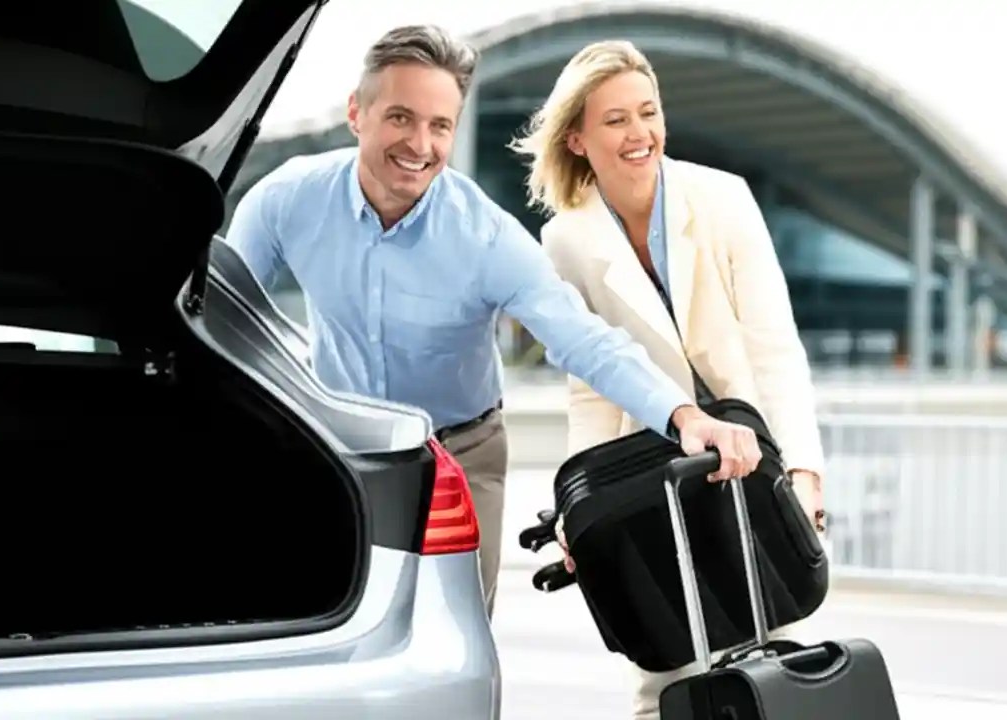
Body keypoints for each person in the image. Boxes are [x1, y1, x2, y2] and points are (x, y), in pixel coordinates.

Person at [223, 25, 762, 619]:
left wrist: (684, 415)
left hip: (461, 454)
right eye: (401, 118)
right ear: (357, 112)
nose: (420, 144)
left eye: (440, 125)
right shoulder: (285, 201)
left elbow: (583, 339)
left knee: (455, 637)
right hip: (338, 445)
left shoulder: (487, 237)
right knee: (318, 621)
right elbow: (223, 319)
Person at [509, 40, 827, 718]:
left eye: (648, 113)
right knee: (665, 666)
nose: (639, 133)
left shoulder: (722, 199)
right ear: (577, 137)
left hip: (750, 454)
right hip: (653, 466)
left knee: (782, 643)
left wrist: (804, 471)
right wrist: (577, 501)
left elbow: (773, 345)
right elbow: (589, 384)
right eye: (616, 119)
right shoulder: (566, 240)